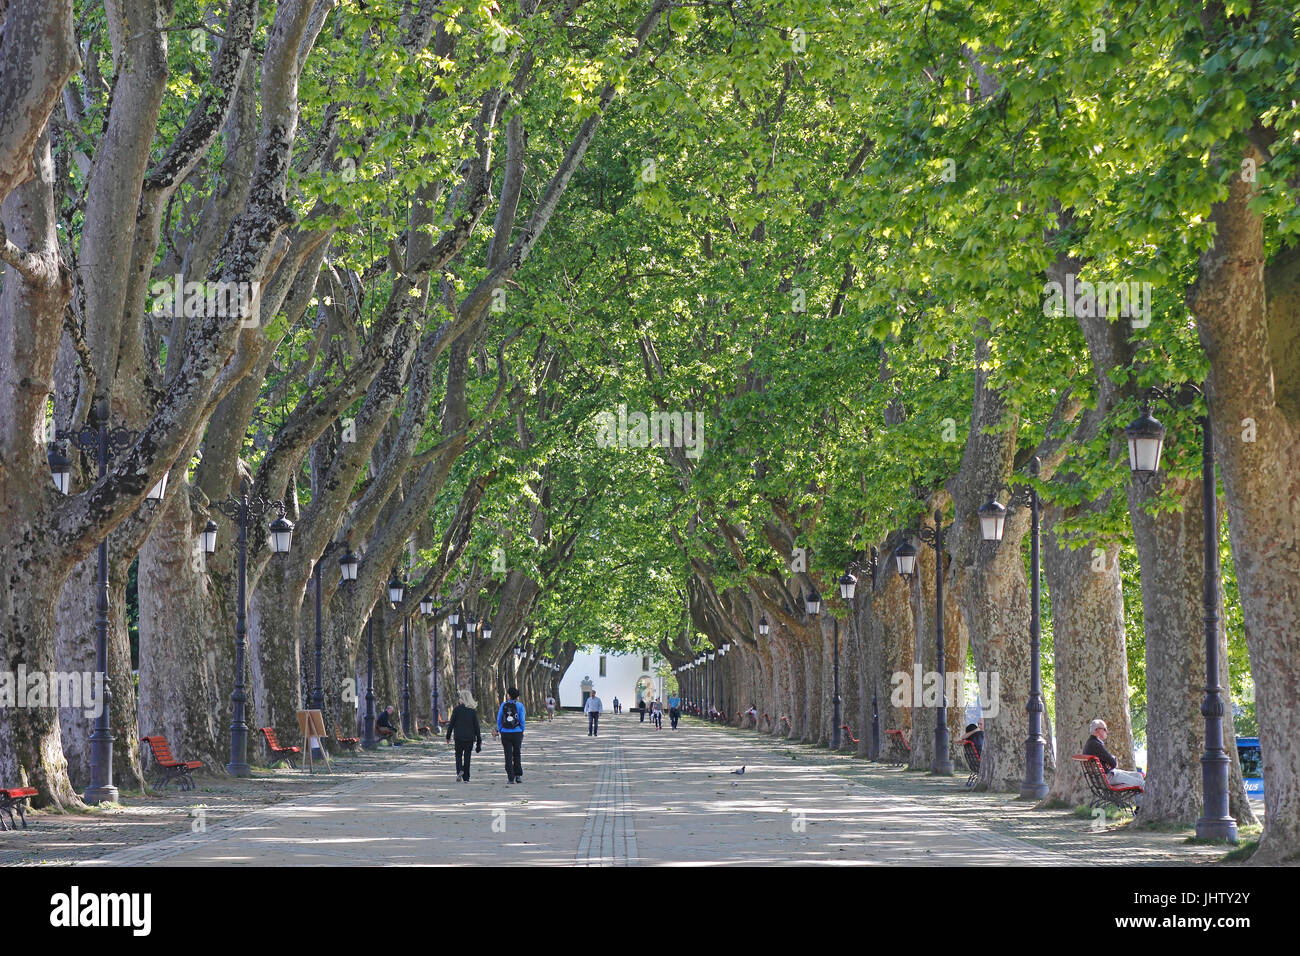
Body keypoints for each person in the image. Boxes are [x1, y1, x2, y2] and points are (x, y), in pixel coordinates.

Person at [1083, 718, 1144, 803]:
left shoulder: (1090, 744)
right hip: (1108, 777)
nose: (1106, 731)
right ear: (1096, 730)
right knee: (1141, 783)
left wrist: (1109, 761)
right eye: (1104, 729)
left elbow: (1110, 761)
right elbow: (1113, 763)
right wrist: (1111, 761)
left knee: (1138, 775)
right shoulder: (1096, 745)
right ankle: (1140, 809)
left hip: (1103, 777)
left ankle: (1140, 806)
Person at [445, 689, 482, 781]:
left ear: (463, 699)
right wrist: (479, 740)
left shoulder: (457, 710)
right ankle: (466, 777)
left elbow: (451, 724)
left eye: (460, 698)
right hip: (469, 738)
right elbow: (477, 727)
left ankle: (459, 771)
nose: (459, 700)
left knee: (458, 755)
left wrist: (448, 736)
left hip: (459, 737)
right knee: (467, 756)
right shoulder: (472, 712)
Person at [494, 687, 525, 783]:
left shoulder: (503, 705)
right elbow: (522, 719)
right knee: (517, 753)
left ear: (509, 695)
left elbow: (499, 718)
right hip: (517, 732)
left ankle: (510, 777)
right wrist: (522, 729)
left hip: (505, 732)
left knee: (507, 754)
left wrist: (500, 729)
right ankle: (518, 775)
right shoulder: (520, 705)